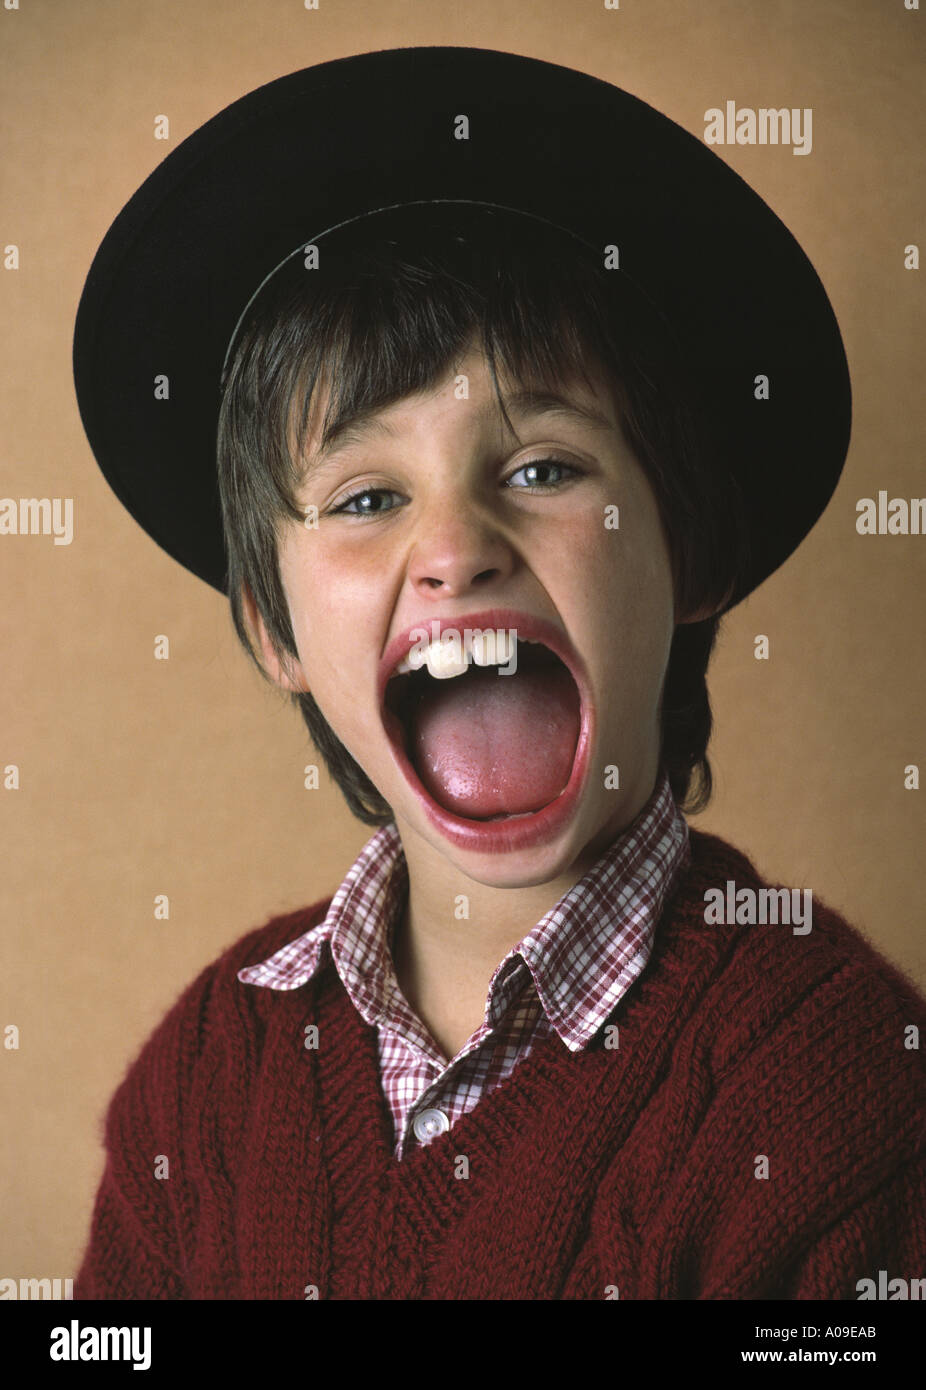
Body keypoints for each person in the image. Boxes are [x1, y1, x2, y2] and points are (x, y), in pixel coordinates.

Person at [71, 47, 925, 1300]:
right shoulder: (208, 1075)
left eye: (541, 469)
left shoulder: (832, 1091)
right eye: (366, 496)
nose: (457, 549)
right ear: (274, 631)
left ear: (685, 548)